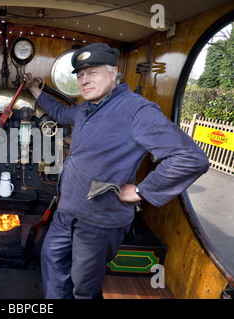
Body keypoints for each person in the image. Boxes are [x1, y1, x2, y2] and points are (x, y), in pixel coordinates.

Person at [23, 42, 209, 299]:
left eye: (93, 72)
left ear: (113, 74)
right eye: (80, 75)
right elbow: (60, 112)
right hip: (67, 211)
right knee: (52, 258)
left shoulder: (136, 110)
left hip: (100, 220)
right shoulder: (86, 108)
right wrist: (34, 90)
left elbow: (190, 158)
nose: (84, 80)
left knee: (84, 286)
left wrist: (142, 191)